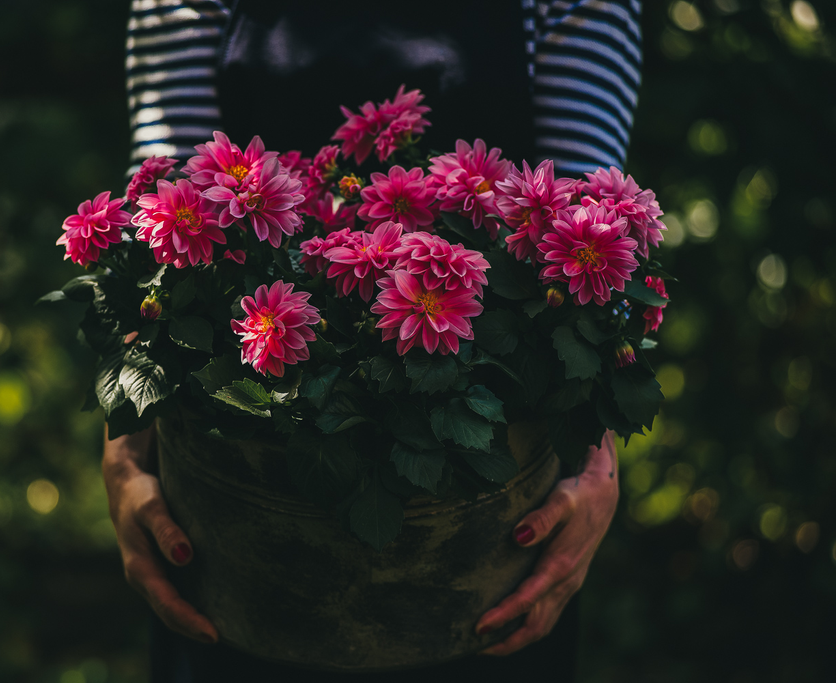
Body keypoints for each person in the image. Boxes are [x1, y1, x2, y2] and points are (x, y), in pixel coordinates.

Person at [107, 1, 640, 679]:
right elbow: (160, 222)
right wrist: (126, 446)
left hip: (490, 553)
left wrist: (596, 459)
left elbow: (588, 226)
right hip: (236, 534)